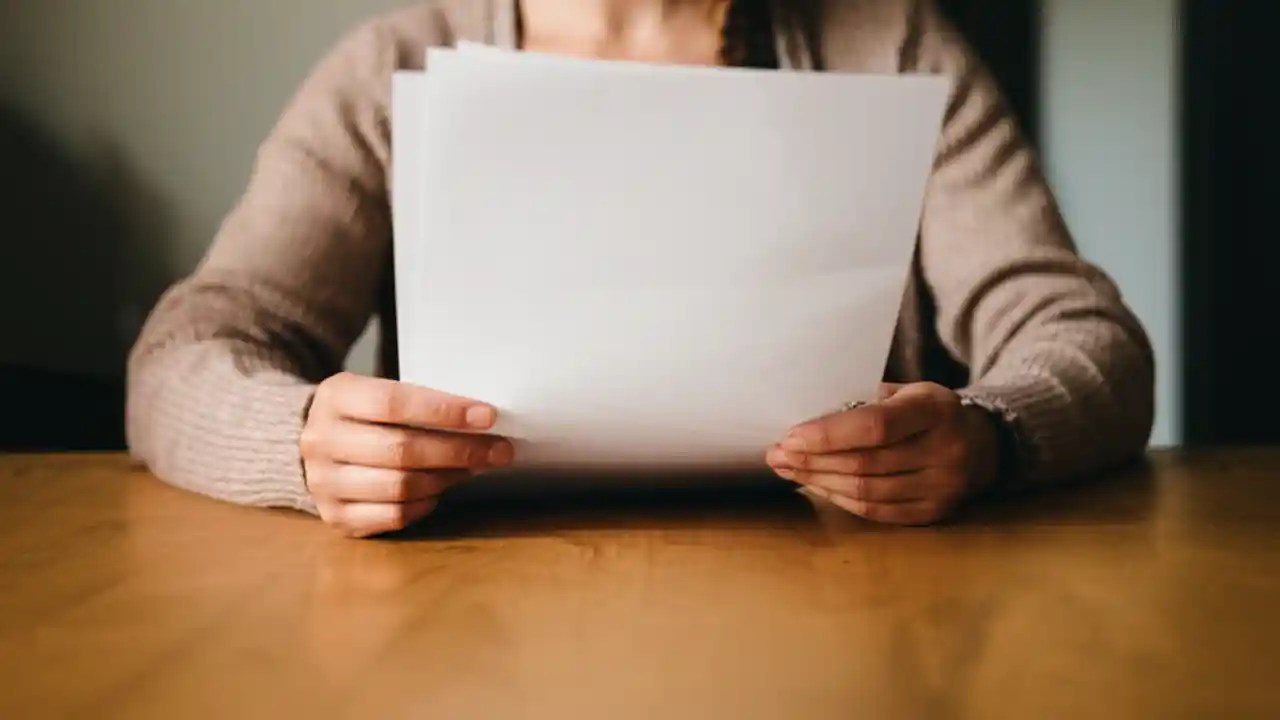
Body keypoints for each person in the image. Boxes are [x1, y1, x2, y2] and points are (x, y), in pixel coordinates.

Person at [126, 0, 1155, 538]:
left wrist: (990, 439)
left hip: (847, 605)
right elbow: (186, 353)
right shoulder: (389, 68)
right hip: (463, 623)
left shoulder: (893, 43)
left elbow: (1082, 337)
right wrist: (300, 442)